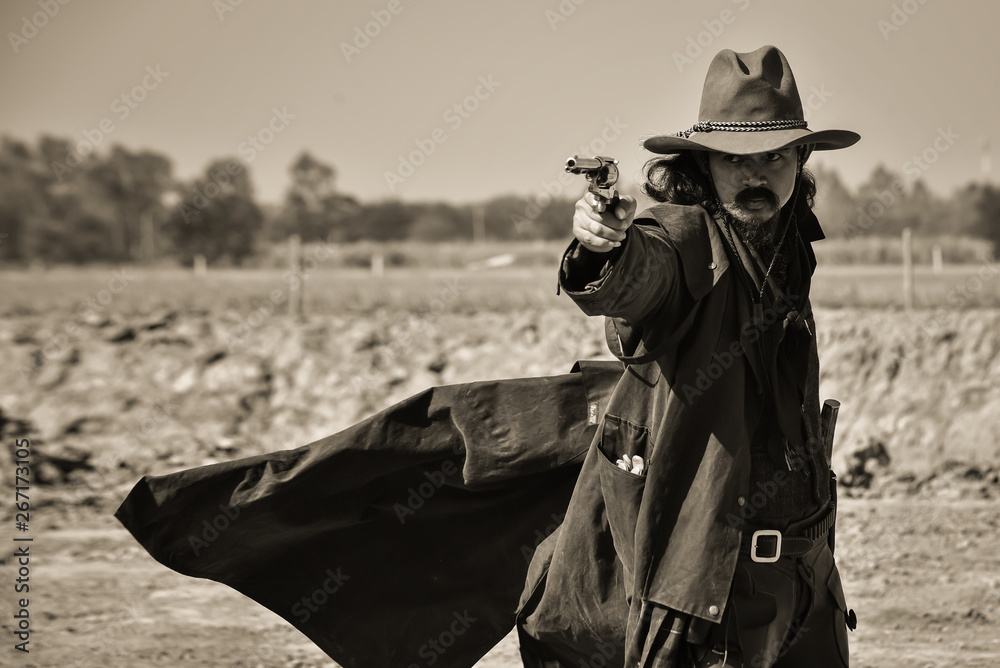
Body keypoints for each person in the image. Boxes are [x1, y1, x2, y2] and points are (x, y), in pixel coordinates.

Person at [514, 45, 860, 667]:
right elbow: (640, 275)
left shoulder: (789, 242)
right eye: (734, 158)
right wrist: (602, 248)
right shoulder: (686, 235)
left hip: (807, 580)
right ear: (702, 164)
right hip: (716, 596)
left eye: (774, 156)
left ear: (801, 159)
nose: (755, 175)